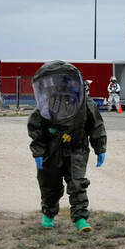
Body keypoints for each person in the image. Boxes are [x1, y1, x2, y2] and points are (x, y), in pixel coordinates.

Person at [27, 60, 106, 232]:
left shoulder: (85, 104)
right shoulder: (47, 105)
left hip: (76, 149)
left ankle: (80, 220)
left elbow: (96, 126)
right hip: (51, 152)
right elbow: (36, 129)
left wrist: (100, 147)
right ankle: (48, 214)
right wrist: (38, 152)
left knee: (77, 184)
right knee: (49, 185)